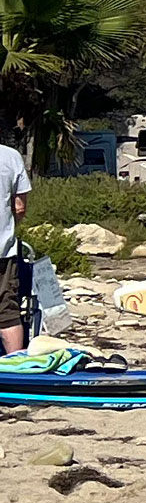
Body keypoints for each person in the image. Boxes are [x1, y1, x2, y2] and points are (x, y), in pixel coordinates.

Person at [0, 140, 31, 355]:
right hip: (2, 249)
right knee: (7, 313)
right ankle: (14, 368)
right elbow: (19, 208)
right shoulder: (11, 156)